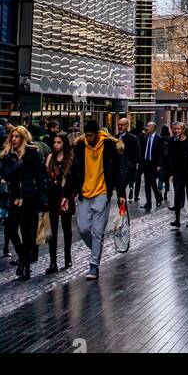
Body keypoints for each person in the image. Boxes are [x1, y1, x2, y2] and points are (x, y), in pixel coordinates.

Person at [65, 120, 122, 281]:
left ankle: (94, 265)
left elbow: (116, 170)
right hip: (84, 193)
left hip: (102, 192)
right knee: (83, 228)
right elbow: (75, 171)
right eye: (87, 135)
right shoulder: (80, 146)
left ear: (97, 134)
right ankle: (97, 249)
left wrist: (121, 192)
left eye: (91, 135)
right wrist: (67, 194)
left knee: (97, 231)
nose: (88, 138)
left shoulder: (109, 146)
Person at [5, 126, 48, 281]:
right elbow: (6, 174)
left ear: (23, 138)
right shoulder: (8, 154)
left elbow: (41, 176)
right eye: (12, 136)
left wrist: (43, 198)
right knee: (10, 227)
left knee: (27, 231)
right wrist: (17, 165)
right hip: (15, 196)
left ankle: (25, 265)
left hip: (30, 196)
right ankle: (23, 258)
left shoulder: (32, 153)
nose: (14, 139)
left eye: (17, 136)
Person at [45, 131, 74, 273]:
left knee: (66, 227)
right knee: (52, 230)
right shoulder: (50, 157)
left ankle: (67, 256)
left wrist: (68, 197)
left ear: (64, 143)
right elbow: (46, 177)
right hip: (52, 195)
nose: (56, 145)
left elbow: (74, 180)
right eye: (54, 142)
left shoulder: (70, 158)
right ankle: (53, 262)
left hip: (65, 196)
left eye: (59, 142)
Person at [169, 124, 188, 229]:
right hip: (178, 172)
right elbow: (171, 157)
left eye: (178, 129)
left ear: (183, 130)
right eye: (175, 129)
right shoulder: (174, 141)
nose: (176, 130)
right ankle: (177, 220)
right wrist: (172, 173)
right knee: (177, 195)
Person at [140, 121, 163, 212]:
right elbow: (142, 150)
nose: (147, 127)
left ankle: (158, 198)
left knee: (153, 182)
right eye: (147, 125)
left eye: (149, 126)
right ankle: (148, 202)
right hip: (146, 163)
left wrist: (159, 165)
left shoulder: (158, 138)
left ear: (153, 127)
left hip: (154, 164)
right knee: (146, 184)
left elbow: (161, 153)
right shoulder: (145, 138)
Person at [116, 118, 140, 201]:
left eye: (122, 125)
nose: (120, 126)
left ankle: (123, 211)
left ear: (127, 126)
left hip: (127, 170)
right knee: (119, 192)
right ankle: (123, 211)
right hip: (117, 170)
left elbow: (137, 155)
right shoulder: (115, 138)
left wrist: (131, 165)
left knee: (121, 189)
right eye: (119, 124)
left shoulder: (133, 138)